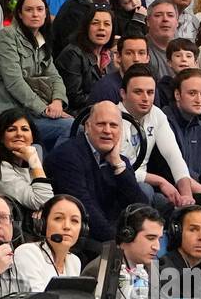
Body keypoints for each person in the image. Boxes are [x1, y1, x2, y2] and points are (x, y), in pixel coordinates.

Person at [45, 100, 143, 245]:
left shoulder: (119, 161)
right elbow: (86, 211)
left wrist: (118, 166)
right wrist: (119, 243)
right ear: (87, 127)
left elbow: (140, 208)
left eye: (114, 125)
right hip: (80, 240)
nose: (108, 131)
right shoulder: (67, 156)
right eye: (101, 124)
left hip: (110, 236)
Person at [0, 0, 72, 150]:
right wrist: (45, 110)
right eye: (29, 10)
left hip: (33, 113)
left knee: (78, 127)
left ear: (46, 13)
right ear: (19, 13)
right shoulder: (7, 36)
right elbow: (14, 82)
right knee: (70, 127)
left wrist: (58, 101)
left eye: (40, 9)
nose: (35, 14)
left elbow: (55, 77)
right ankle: (49, 171)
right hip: (8, 115)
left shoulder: (41, 39)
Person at [118, 64, 198, 206]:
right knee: (145, 191)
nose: (145, 98)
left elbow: (174, 156)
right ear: (123, 93)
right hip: (117, 181)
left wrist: (187, 197)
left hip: (144, 181)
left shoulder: (156, 114)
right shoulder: (112, 118)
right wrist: (160, 181)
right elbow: (119, 168)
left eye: (150, 92)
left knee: (173, 205)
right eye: (138, 92)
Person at [0, 108, 52, 225]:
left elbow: (45, 203)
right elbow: (42, 200)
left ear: (32, 137)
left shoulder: (27, 166)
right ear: (1, 138)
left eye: (25, 129)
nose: (19, 134)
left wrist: (43, 208)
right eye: (11, 129)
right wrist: (35, 161)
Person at [96, 205, 165, 299]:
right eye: (150, 238)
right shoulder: (100, 268)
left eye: (159, 239)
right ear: (127, 235)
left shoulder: (153, 270)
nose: (157, 247)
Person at [13, 195, 84, 294]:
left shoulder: (74, 262)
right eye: (58, 218)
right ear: (43, 224)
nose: (67, 226)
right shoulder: (28, 253)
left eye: (74, 221)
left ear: (83, 229)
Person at [55, 3, 115, 113]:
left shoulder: (109, 55)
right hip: (78, 114)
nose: (101, 28)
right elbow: (75, 99)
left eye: (107, 24)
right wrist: (108, 101)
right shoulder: (72, 54)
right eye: (95, 23)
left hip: (103, 110)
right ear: (86, 27)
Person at [165, 68, 201, 191]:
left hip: (198, 193)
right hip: (171, 192)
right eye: (192, 93)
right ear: (177, 94)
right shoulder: (164, 121)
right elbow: (173, 172)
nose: (199, 100)